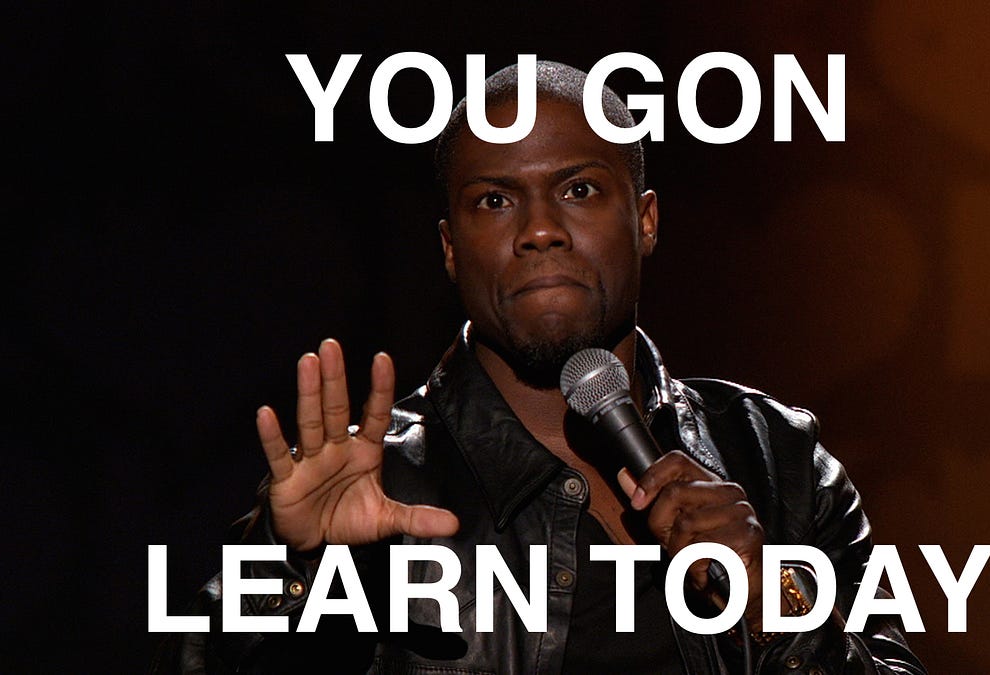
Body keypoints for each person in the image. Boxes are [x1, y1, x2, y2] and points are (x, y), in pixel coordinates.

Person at [159, 62, 925, 674]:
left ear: (646, 219)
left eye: (579, 190)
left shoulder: (778, 459)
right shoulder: (378, 489)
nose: (540, 230)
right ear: (450, 248)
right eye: (495, 201)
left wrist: (777, 603)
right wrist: (291, 568)